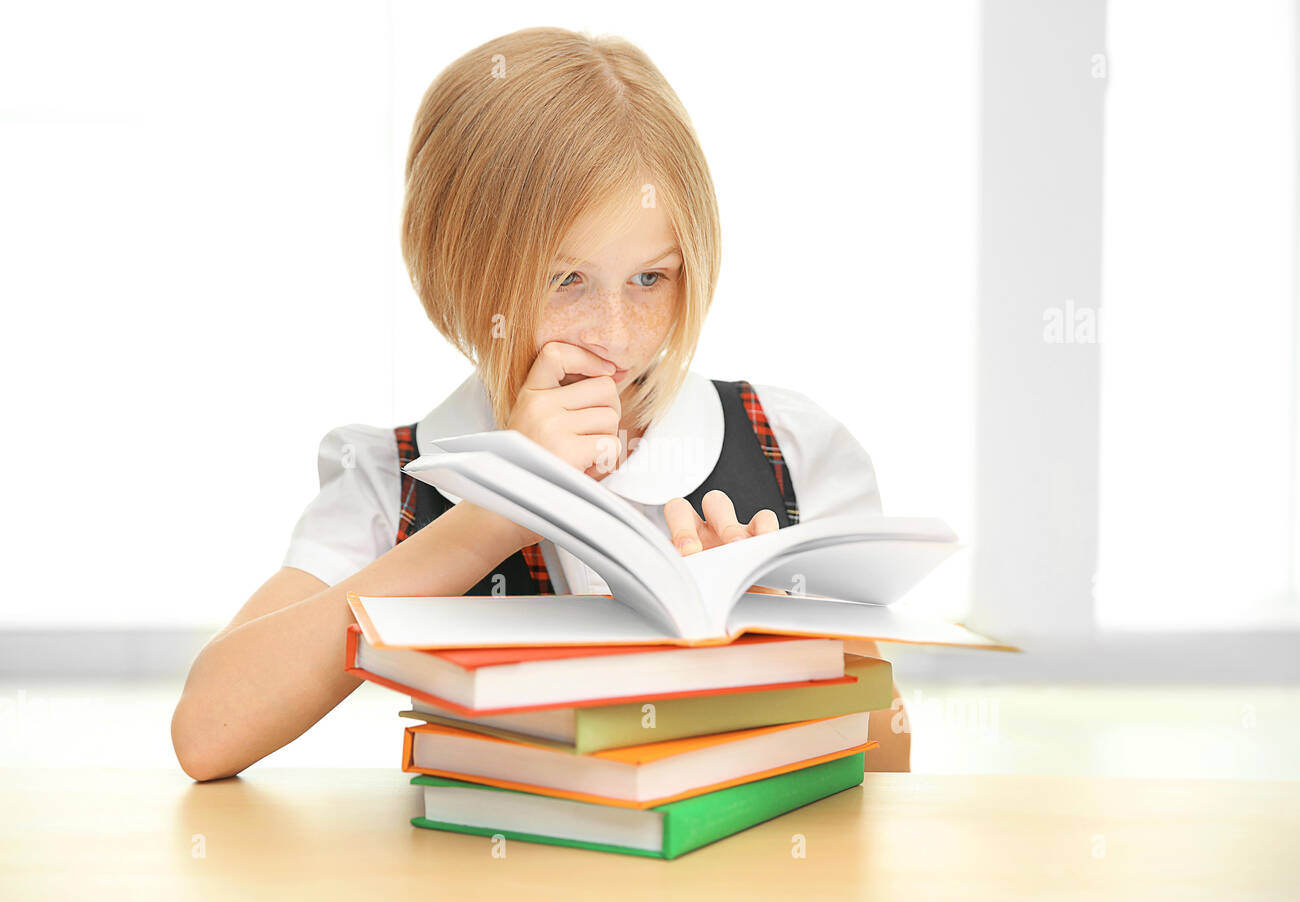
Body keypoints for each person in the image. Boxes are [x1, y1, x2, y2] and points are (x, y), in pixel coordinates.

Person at [171, 26, 910, 782]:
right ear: (456, 266)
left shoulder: (787, 448)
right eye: (567, 282)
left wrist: (776, 647)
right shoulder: (393, 482)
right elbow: (208, 734)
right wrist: (494, 512)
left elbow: (887, 763)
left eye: (651, 279)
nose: (615, 336)